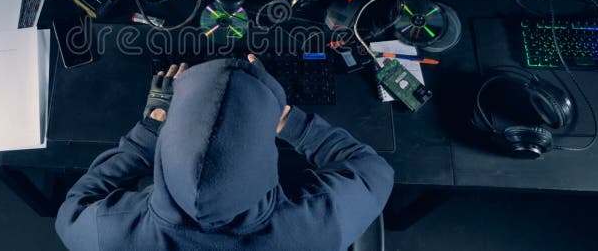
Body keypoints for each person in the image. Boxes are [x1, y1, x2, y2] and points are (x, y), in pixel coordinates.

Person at [55, 55, 394, 250]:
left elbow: (73, 207)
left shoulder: (112, 231)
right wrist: (290, 122)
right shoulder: (313, 229)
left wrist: (149, 131)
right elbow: (374, 171)